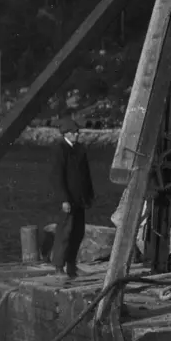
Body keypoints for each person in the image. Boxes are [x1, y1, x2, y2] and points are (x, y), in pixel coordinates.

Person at [49, 117, 95, 279]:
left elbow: (86, 174)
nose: (77, 134)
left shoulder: (80, 149)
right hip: (67, 199)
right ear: (66, 134)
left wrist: (89, 195)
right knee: (64, 232)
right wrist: (63, 199)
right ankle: (58, 267)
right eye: (74, 132)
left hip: (79, 198)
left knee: (77, 232)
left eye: (77, 132)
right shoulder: (60, 149)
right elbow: (57, 177)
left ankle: (71, 266)